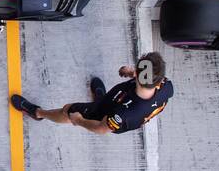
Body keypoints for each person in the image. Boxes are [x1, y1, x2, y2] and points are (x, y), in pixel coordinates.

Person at [11, 52, 173, 135]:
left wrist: (79, 121)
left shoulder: (122, 114)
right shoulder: (166, 86)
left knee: (69, 110)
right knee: (105, 100)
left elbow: (101, 128)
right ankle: (101, 99)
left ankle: (38, 113)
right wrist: (132, 73)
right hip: (117, 101)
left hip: (105, 115)